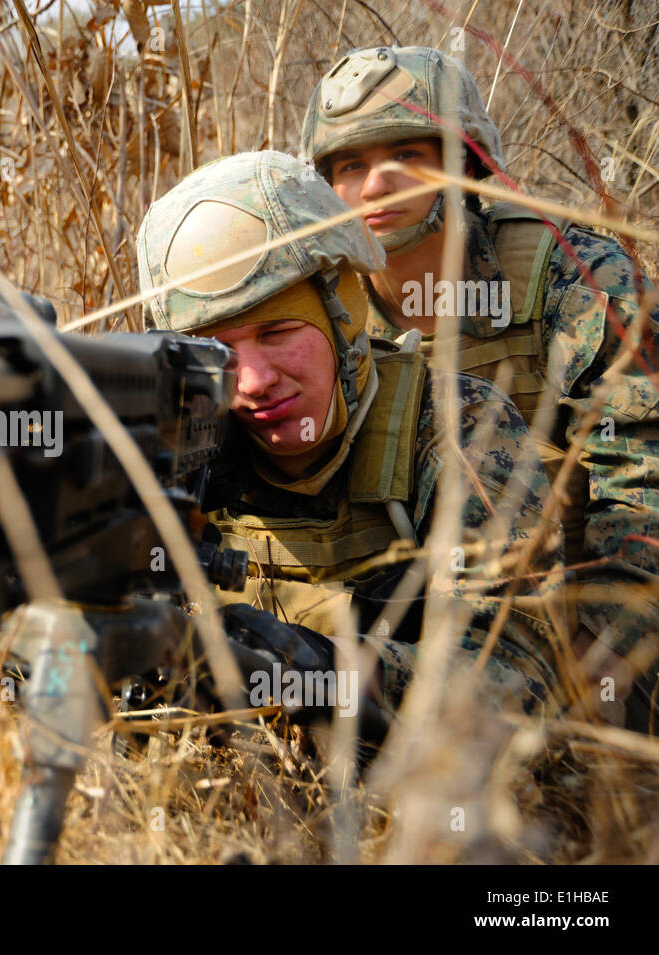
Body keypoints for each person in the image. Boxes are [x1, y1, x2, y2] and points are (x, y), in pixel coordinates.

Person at [301, 46, 659, 731]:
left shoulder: (571, 275)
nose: (376, 184)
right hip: (401, 612)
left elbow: (641, 458)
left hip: (570, 611)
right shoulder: (316, 301)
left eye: (409, 153)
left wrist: (611, 632)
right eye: (350, 165)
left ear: (469, 164)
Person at [135, 149, 562, 724]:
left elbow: (518, 675)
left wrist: (325, 675)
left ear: (347, 315)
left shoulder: (457, 426)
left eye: (280, 332)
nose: (254, 382)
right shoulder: (182, 445)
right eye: (220, 353)